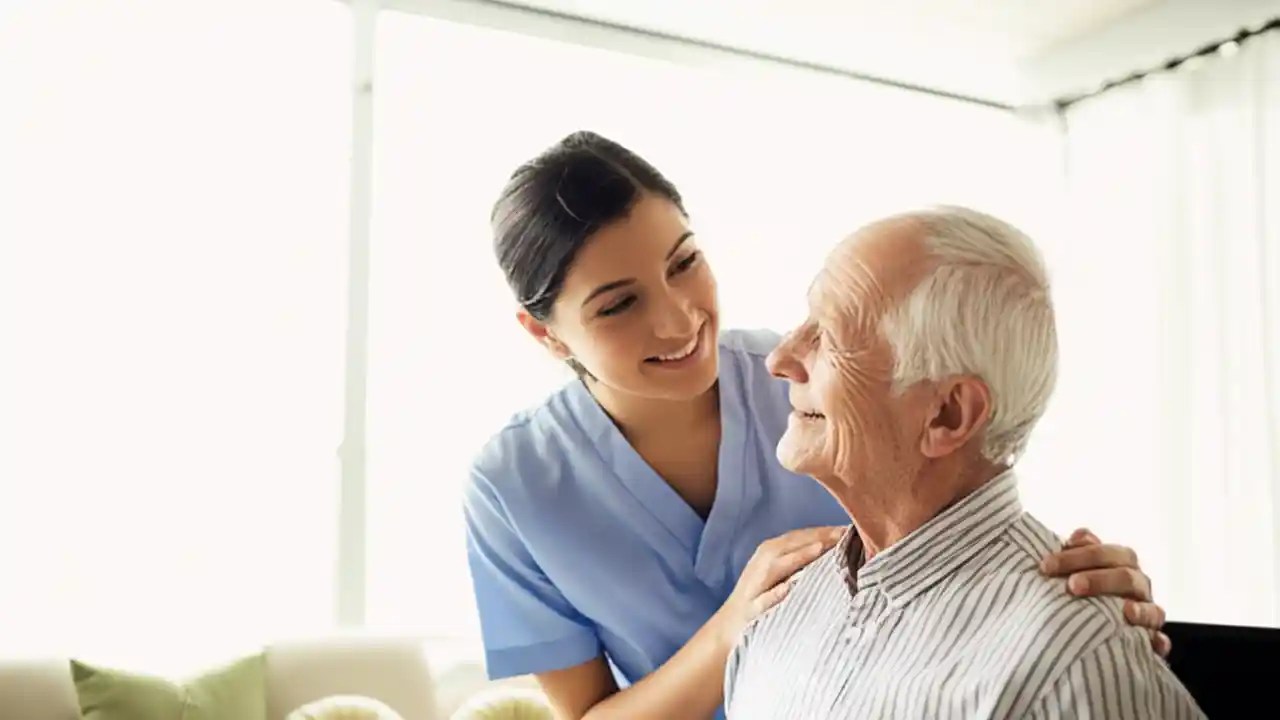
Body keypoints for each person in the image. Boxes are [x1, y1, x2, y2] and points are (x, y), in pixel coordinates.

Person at [463, 131, 1168, 720]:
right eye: (618, 305)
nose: (679, 320)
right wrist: (733, 630)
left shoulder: (810, 391)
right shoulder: (512, 486)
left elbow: (958, 483)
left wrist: (1066, 587)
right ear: (545, 335)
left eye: (685, 262)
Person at [724, 206, 1202, 718]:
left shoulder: (1073, 659)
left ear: (947, 415)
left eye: (831, 337)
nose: (780, 359)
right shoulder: (779, 606)